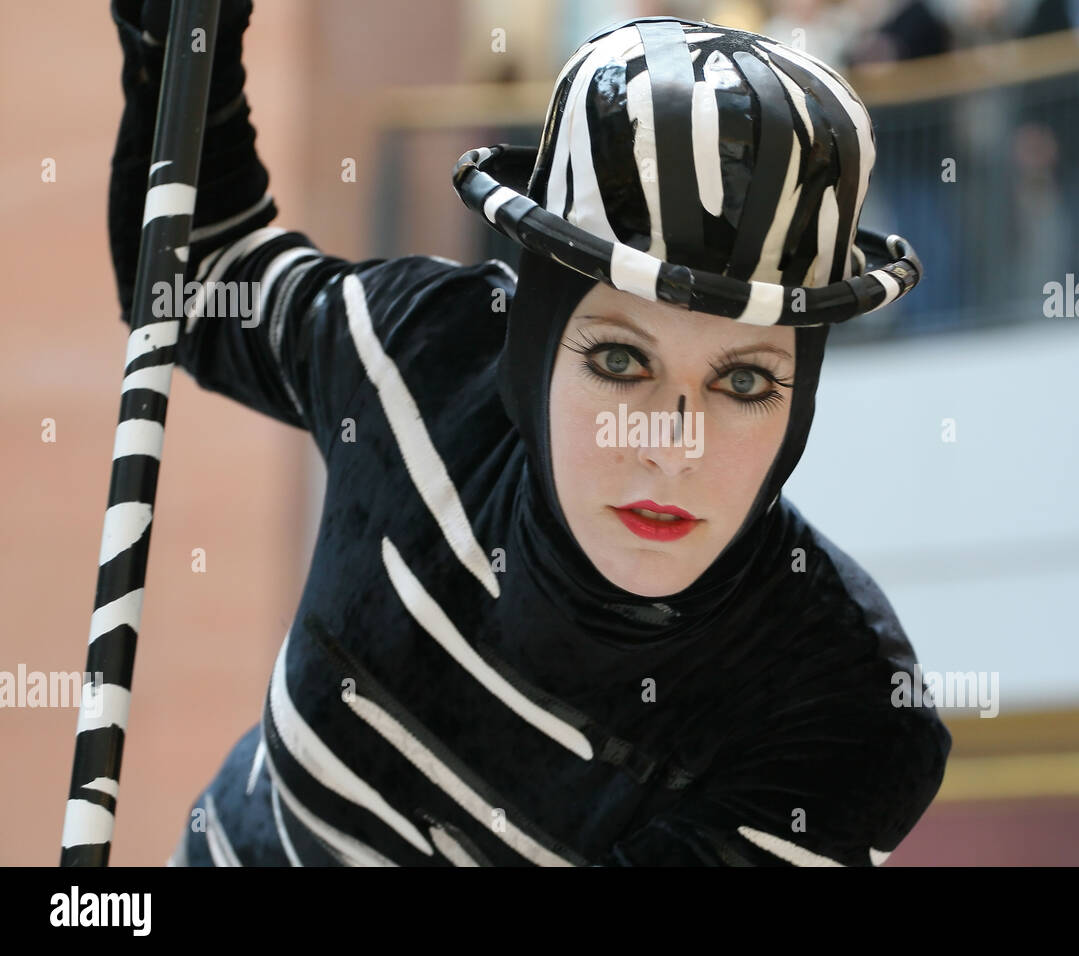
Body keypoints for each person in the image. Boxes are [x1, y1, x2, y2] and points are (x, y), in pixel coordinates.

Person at [109, 0, 950, 866]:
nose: (671, 447)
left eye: (743, 381)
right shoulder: (420, 355)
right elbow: (204, 282)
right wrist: (178, 43)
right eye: (621, 361)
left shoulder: (844, 717)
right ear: (531, 345)